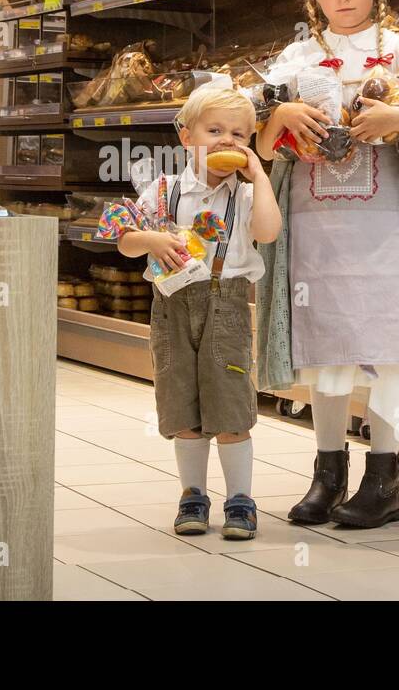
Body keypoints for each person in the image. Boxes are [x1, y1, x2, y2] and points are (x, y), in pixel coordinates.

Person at [255, 0, 399, 529]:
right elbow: (262, 143)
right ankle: (327, 474)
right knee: (324, 347)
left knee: (388, 344)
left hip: (386, 227)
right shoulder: (293, 62)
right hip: (314, 225)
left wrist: (398, 115)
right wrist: (282, 116)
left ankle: (383, 476)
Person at [117, 86, 280, 540]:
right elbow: (125, 240)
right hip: (170, 307)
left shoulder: (245, 197)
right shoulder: (164, 190)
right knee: (180, 404)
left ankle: (240, 501)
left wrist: (260, 177)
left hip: (225, 303)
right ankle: (192, 495)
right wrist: (152, 240)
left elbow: (268, 233)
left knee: (229, 403)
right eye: (215, 130)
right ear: (187, 138)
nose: (228, 140)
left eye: (239, 134)